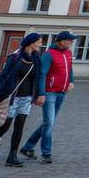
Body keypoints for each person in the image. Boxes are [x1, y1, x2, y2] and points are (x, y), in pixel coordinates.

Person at [0, 33, 45, 167]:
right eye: (39, 42)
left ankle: (12, 156)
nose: (40, 44)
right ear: (31, 43)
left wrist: (38, 94)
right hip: (11, 97)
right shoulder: (14, 58)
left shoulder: (36, 58)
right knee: (5, 126)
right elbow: (3, 78)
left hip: (26, 98)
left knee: (20, 126)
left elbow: (38, 77)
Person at [20, 31, 76, 164]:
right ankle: (46, 154)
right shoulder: (48, 55)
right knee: (49, 123)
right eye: (70, 40)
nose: (72, 42)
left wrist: (71, 81)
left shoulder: (68, 53)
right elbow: (42, 74)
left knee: (48, 123)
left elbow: (70, 68)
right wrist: (41, 93)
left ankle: (28, 147)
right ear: (62, 41)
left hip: (61, 93)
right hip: (49, 93)